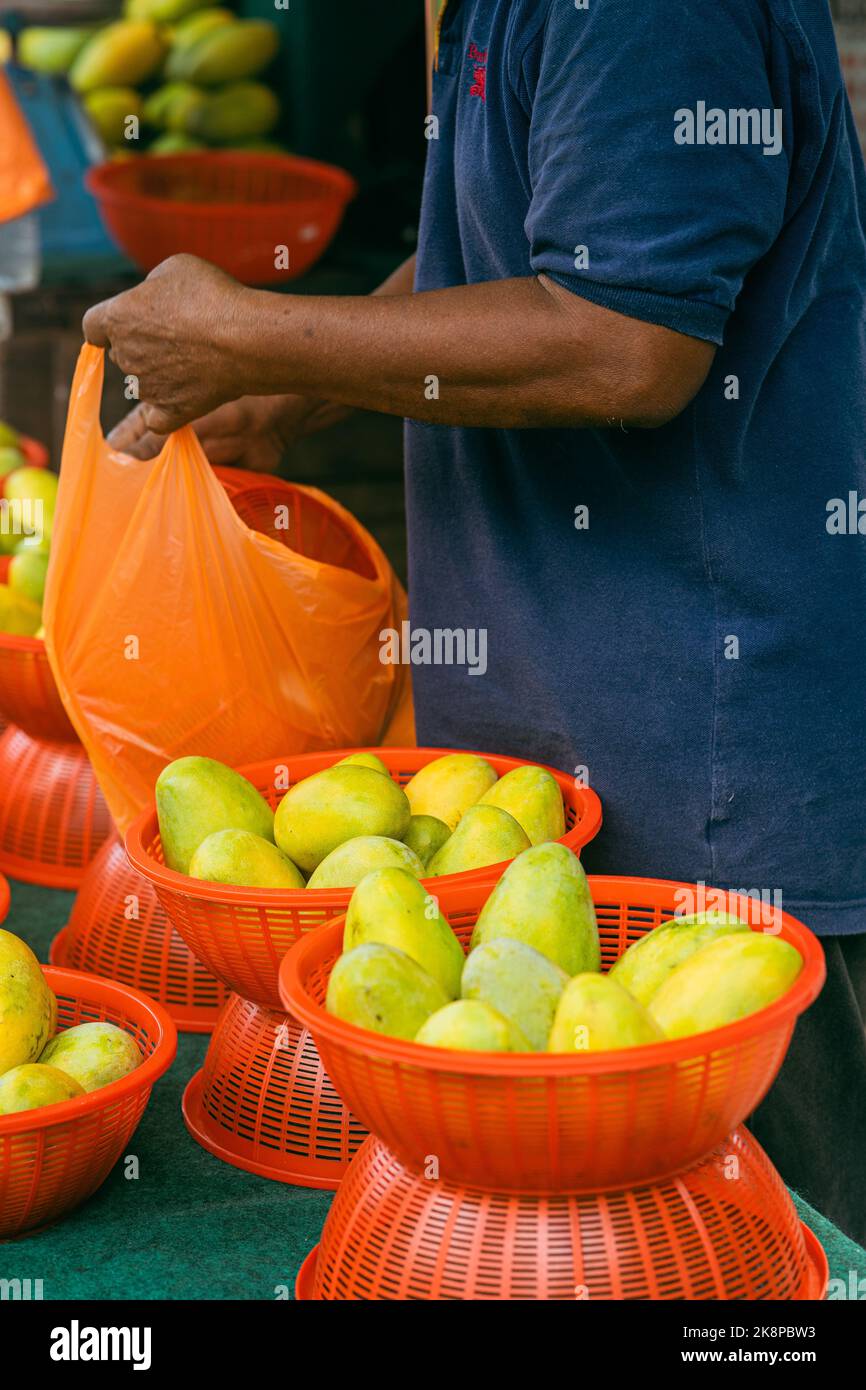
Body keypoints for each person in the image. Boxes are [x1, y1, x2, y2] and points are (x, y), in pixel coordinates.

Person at [85, 0, 866, 1243]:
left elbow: (627, 339)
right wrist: (283, 380)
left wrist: (248, 329)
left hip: (708, 764)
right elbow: (501, 252)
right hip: (552, 752)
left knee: (754, 1250)